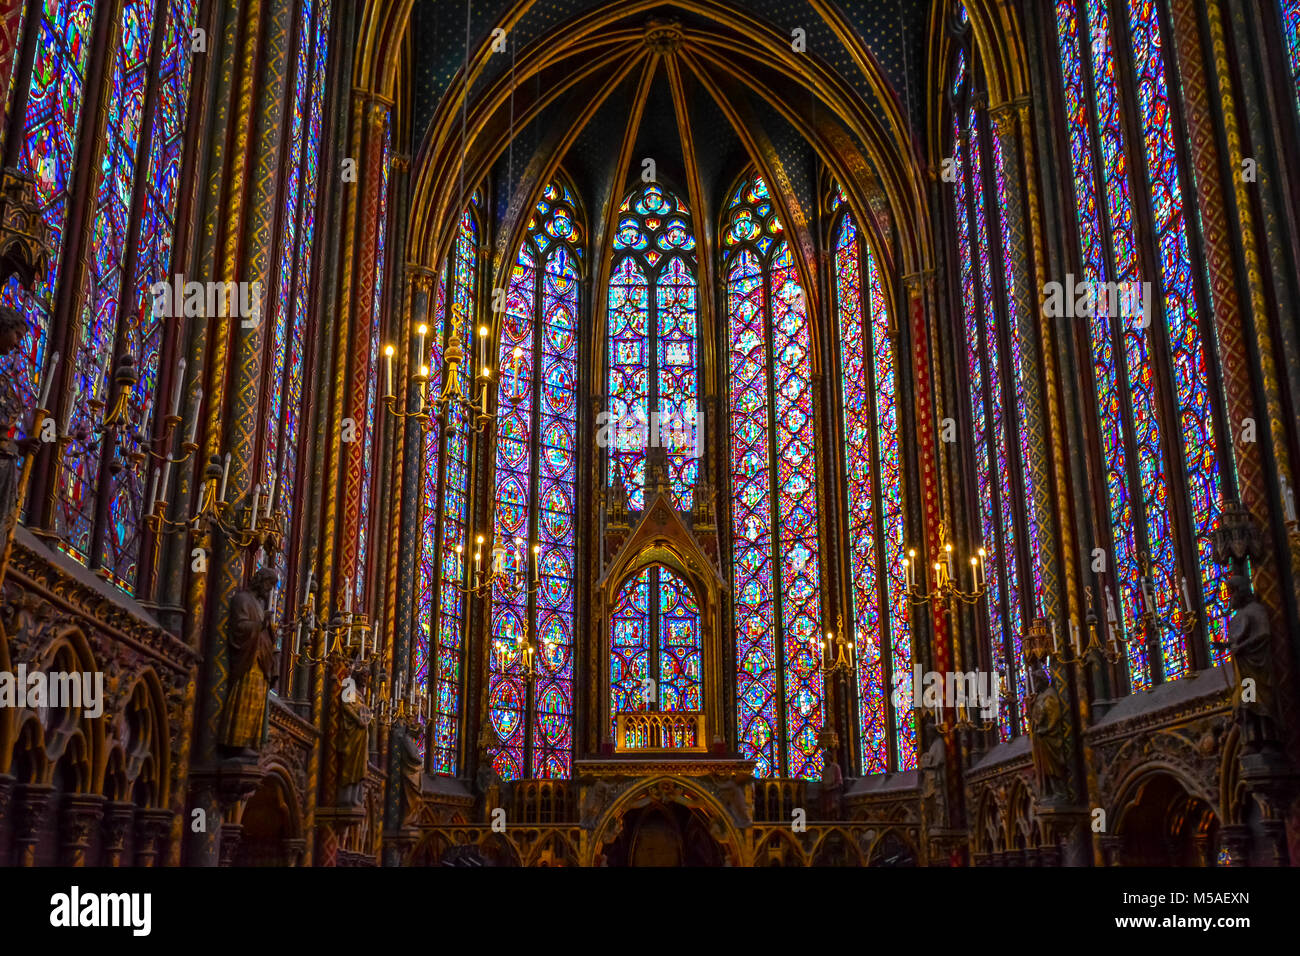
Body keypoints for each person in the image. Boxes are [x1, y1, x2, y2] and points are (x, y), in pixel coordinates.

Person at [218, 568, 279, 758]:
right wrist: (261, 625)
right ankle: (237, 741)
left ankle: (249, 741)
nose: (269, 591)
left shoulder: (259, 606)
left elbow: (264, 636)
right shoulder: (242, 600)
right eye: (269, 585)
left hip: (260, 662)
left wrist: (273, 630)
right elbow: (239, 628)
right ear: (260, 581)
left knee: (256, 703)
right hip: (247, 662)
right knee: (243, 700)